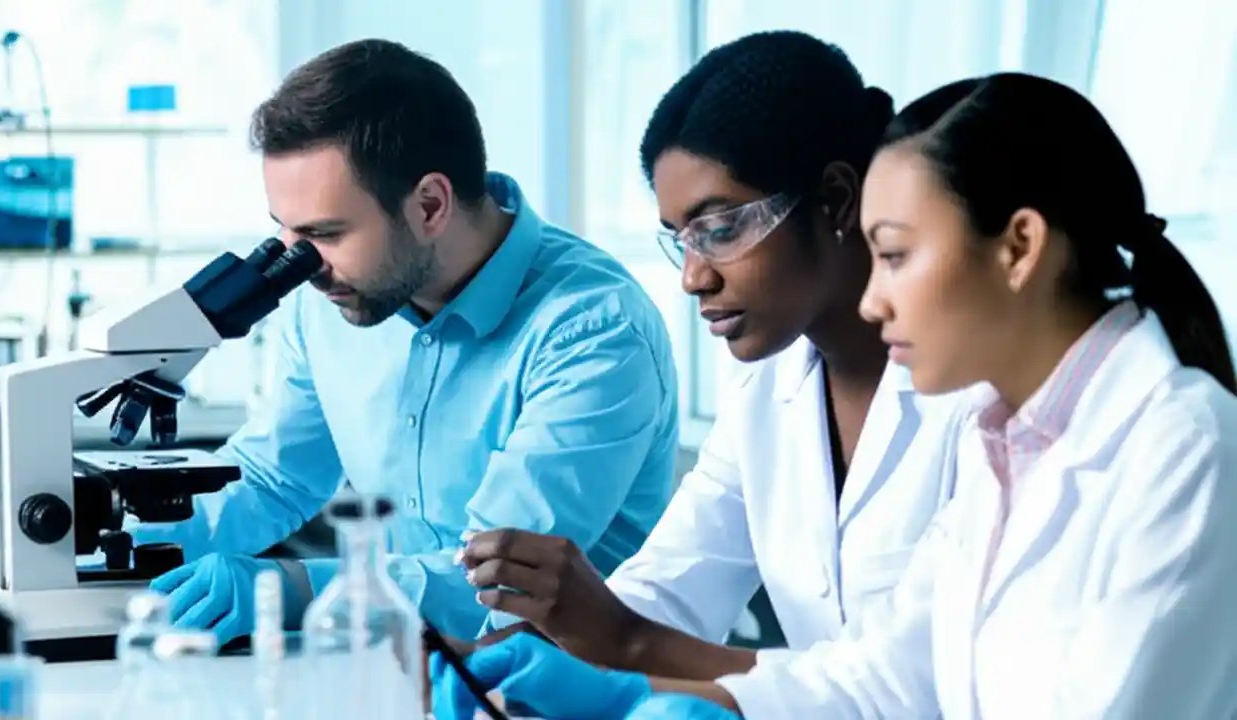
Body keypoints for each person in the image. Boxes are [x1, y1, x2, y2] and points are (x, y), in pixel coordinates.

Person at [433, 71, 1237, 719]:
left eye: (895, 255)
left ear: (1019, 246)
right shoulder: (1009, 437)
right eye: (680, 240)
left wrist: (643, 667)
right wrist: (631, 682)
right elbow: (881, 683)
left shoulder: (1186, 448)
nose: (876, 299)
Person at [457, 29, 973, 676]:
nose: (694, 276)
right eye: (682, 239)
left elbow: (909, 681)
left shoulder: (978, 387)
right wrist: (522, 659)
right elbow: (674, 581)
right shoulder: (768, 385)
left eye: (721, 229)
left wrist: (625, 644)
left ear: (836, 200)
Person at [134, 38, 680, 644]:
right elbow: (274, 478)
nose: (298, 263)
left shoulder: (593, 331)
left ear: (429, 205)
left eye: (324, 233)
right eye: (284, 232)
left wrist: (295, 589)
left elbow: (503, 583)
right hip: (401, 666)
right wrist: (117, 542)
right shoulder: (332, 302)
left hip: (565, 688)